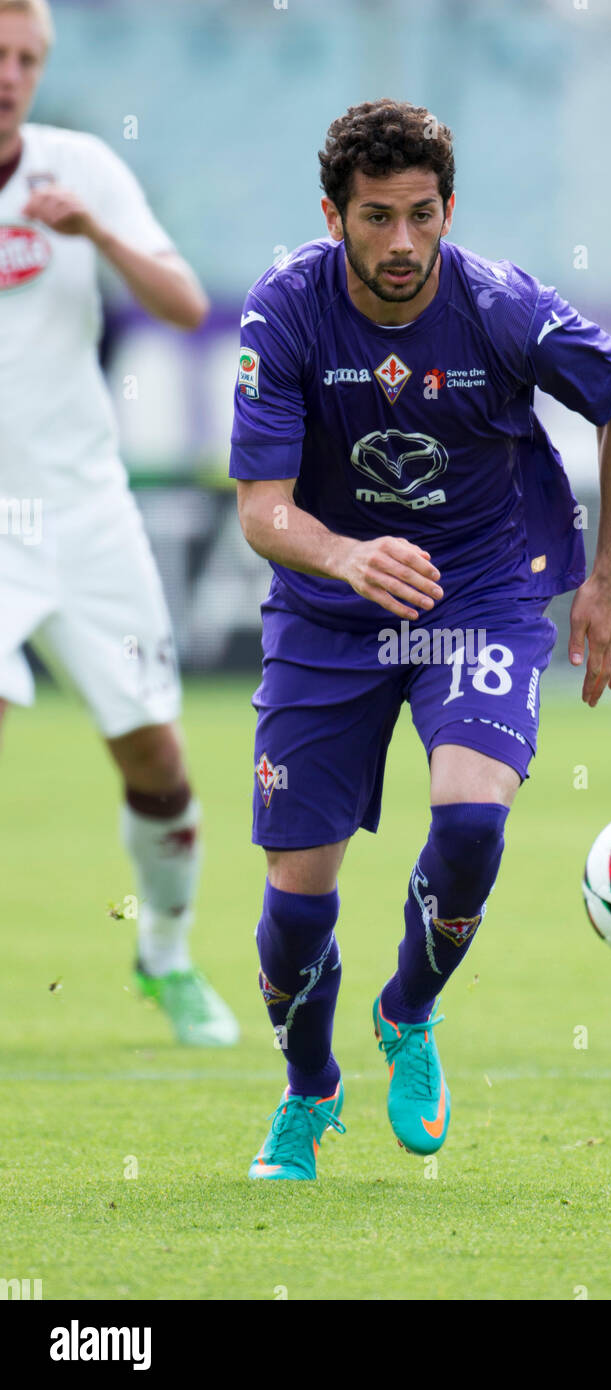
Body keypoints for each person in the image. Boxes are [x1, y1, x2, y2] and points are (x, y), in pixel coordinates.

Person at [230, 99, 611, 1179]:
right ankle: (309, 1087)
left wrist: (606, 579)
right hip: (330, 614)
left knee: (470, 818)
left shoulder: (503, 307)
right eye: (377, 218)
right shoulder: (282, 314)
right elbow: (261, 511)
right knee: (291, 909)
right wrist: (348, 556)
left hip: (480, 594)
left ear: (448, 208)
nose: (404, 244)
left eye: (423, 215)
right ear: (334, 217)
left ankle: (409, 1011)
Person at [0, 0, 238, 1046]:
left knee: (159, 767)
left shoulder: (79, 168)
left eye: (27, 58)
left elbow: (187, 304)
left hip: (90, 514)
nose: (10, 73)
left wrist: (94, 232)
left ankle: (166, 956)